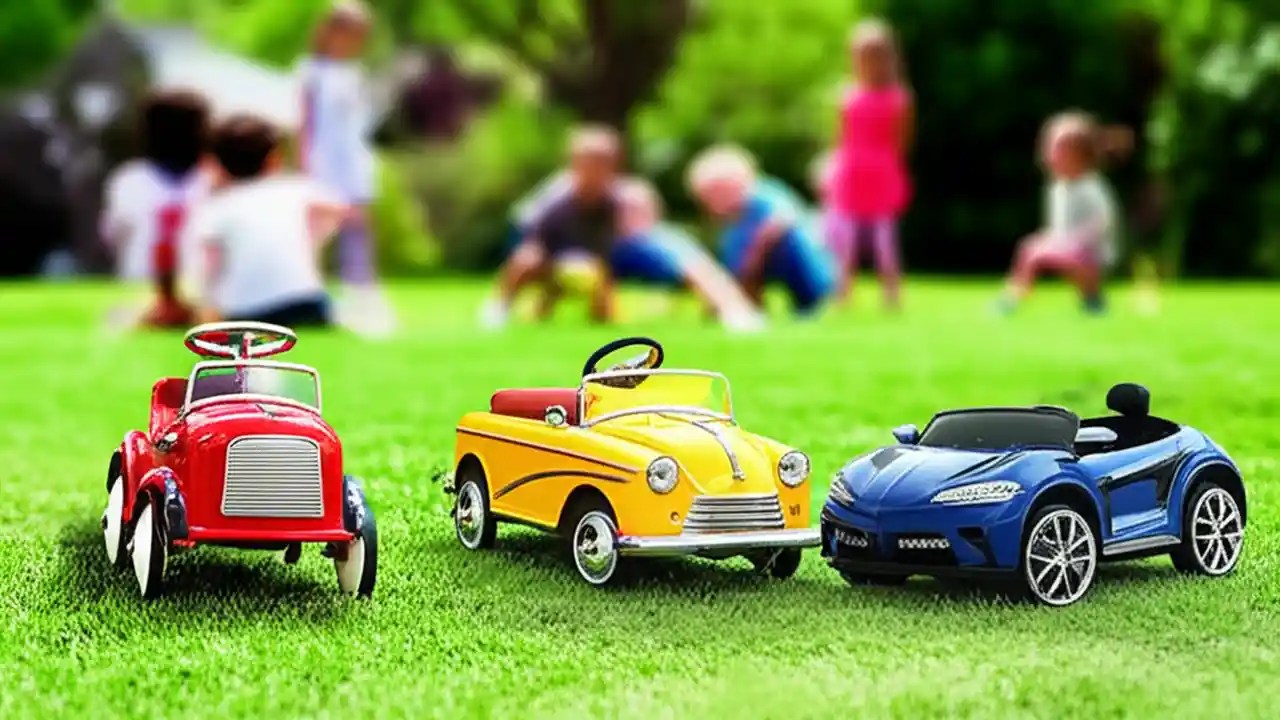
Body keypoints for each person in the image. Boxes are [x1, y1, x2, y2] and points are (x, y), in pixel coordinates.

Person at [180, 115, 350, 327]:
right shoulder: (296, 190)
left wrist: (206, 304)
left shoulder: (216, 207)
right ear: (274, 159)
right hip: (304, 303)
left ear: (215, 164)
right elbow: (339, 209)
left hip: (245, 312)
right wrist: (314, 238)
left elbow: (210, 265)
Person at [298, 0, 394, 332]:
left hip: (353, 162)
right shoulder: (312, 72)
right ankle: (310, 292)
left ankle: (363, 292)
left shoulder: (354, 73)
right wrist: (306, 164)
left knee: (358, 229)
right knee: (318, 231)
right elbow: (306, 124)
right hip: (324, 163)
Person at [480, 125, 623, 327]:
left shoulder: (612, 202)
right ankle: (499, 307)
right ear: (575, 163)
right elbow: (532, 239)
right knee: (525, 261)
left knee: (603, 297)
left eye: (604, 163)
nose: (597, 169)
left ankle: (592, 322)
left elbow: (605, 247)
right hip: (546, 251)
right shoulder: (556, 198)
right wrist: (558, 265)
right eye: (591, 162)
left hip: (584, 259)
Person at [997, 111, 1127, 314]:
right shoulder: (1058, 187)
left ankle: (1015, 297)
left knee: (1034, 253)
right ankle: (1092, 302)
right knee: (1029, 249)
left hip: (1093, 254)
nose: (1049, 154)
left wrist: (1076, 239)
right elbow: (1058, 226)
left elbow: (1104, 220)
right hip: (1071, 248)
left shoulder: (1089, 186)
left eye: (1057, 149)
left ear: (1079, 155)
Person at [100, 89, 211, 326]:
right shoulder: (213, 181)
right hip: (200, 287)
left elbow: (112, 237)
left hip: (137, 284)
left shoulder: (128, 179)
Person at [826, 19, 913, 310]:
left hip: (882, 173)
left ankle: (891, 293)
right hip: (851, 173)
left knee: (883, 239)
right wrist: (833, 169)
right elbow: (840, 138)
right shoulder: (847, 96)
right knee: (845, 240)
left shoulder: (899, 98)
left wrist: (891, 170)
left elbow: (901, 140)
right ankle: (843, 292)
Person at [687, 145, 835, 316]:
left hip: (808, 269)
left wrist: (753, 259)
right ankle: (739, 304)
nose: (714, 205)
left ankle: (811, 302)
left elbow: (783, 219)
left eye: (718, 193)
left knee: (787, 240)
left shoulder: (764, 195)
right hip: (760, 269)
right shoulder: (733, 227)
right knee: (734, 253)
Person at [612, 178, 765, 330]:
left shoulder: (662, 239)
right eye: (627, 211)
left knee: (694, 264)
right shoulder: (644, 242)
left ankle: (735, 310)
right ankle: (736, 310)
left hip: (665, 260)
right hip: (637, 258)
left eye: (639, 210)